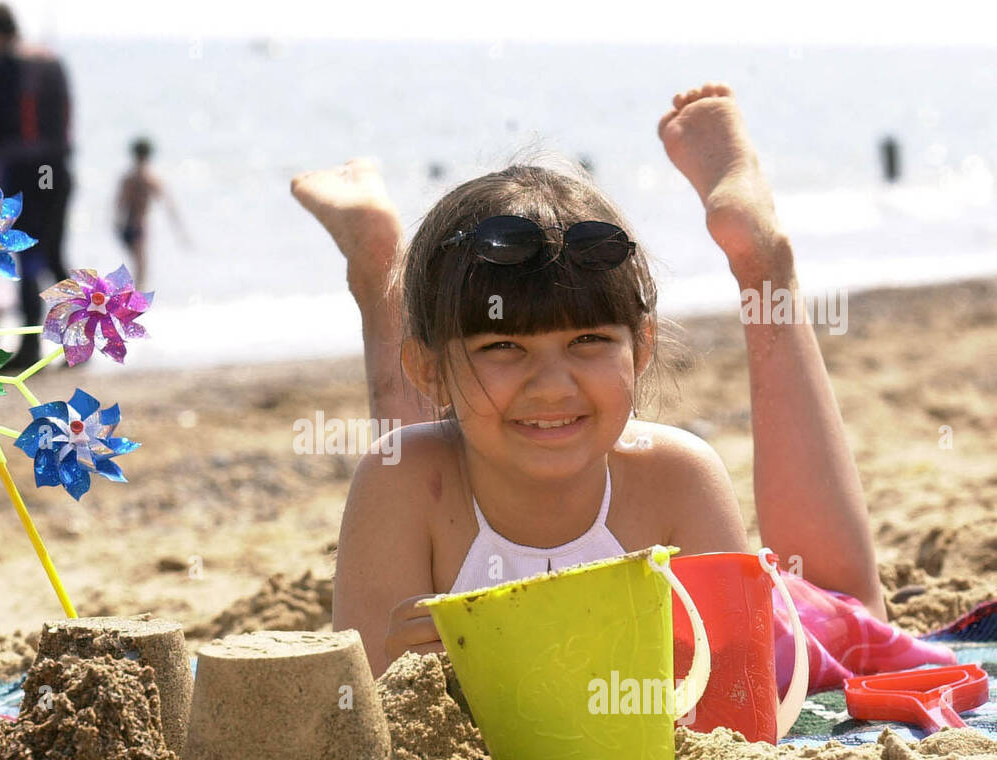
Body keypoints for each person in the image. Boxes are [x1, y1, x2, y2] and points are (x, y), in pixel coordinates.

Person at [291, 84, 886, 676]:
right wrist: (409, 671)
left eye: (588, 341)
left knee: (850, 608)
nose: (552, 386)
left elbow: (739, 689)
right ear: (426, 370)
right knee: (428, 445)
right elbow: (367, 701)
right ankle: (380, 272)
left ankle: (764, 265)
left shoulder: (677, 478)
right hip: (434, 443)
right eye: (504, 345)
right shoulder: (397, 480)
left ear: (642, 346)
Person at [0, 2, 73, 372]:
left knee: (27, 254)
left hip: (26, 171)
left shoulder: (4, 64)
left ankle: (31, 348)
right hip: (57, 169)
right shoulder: (51, 59)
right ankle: (80, 342)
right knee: (55, 256)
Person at [115, 137, 190, 289]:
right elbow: (169, 207)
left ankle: (131, 301)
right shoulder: (150, 179)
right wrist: (181, 232)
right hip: (139, 227)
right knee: (141, 269)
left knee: (136, 266)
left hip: (126, 226)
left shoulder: (127, 179)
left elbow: (118, 206)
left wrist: (117, 227)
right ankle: (136, 303)